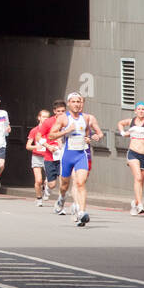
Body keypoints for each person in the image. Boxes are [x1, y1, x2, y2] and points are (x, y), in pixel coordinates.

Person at [48, 92, 103, 226]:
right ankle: (61, 198)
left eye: (78, 101)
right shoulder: (63, 118)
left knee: (80, 183)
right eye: (73, 102)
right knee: (65, 185)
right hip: (67, 155)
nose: (76, 104)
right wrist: (66, 131)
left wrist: (94, 137)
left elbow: (96, 133)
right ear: (68, 104)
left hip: (81, 154)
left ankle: (82, 212)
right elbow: (51, 136)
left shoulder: (86, 118)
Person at [26, 109, 52, 206]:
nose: (45, 119)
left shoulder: (51, 130)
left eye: (47, 117)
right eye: (43, 117)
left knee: (49, 180)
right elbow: (28, 146)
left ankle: (46, 188)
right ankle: (39, 198)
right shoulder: (34, 131)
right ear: (39, 118)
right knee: (38, 180)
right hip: (37, 157)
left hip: (48, 156)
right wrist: (36, 146)